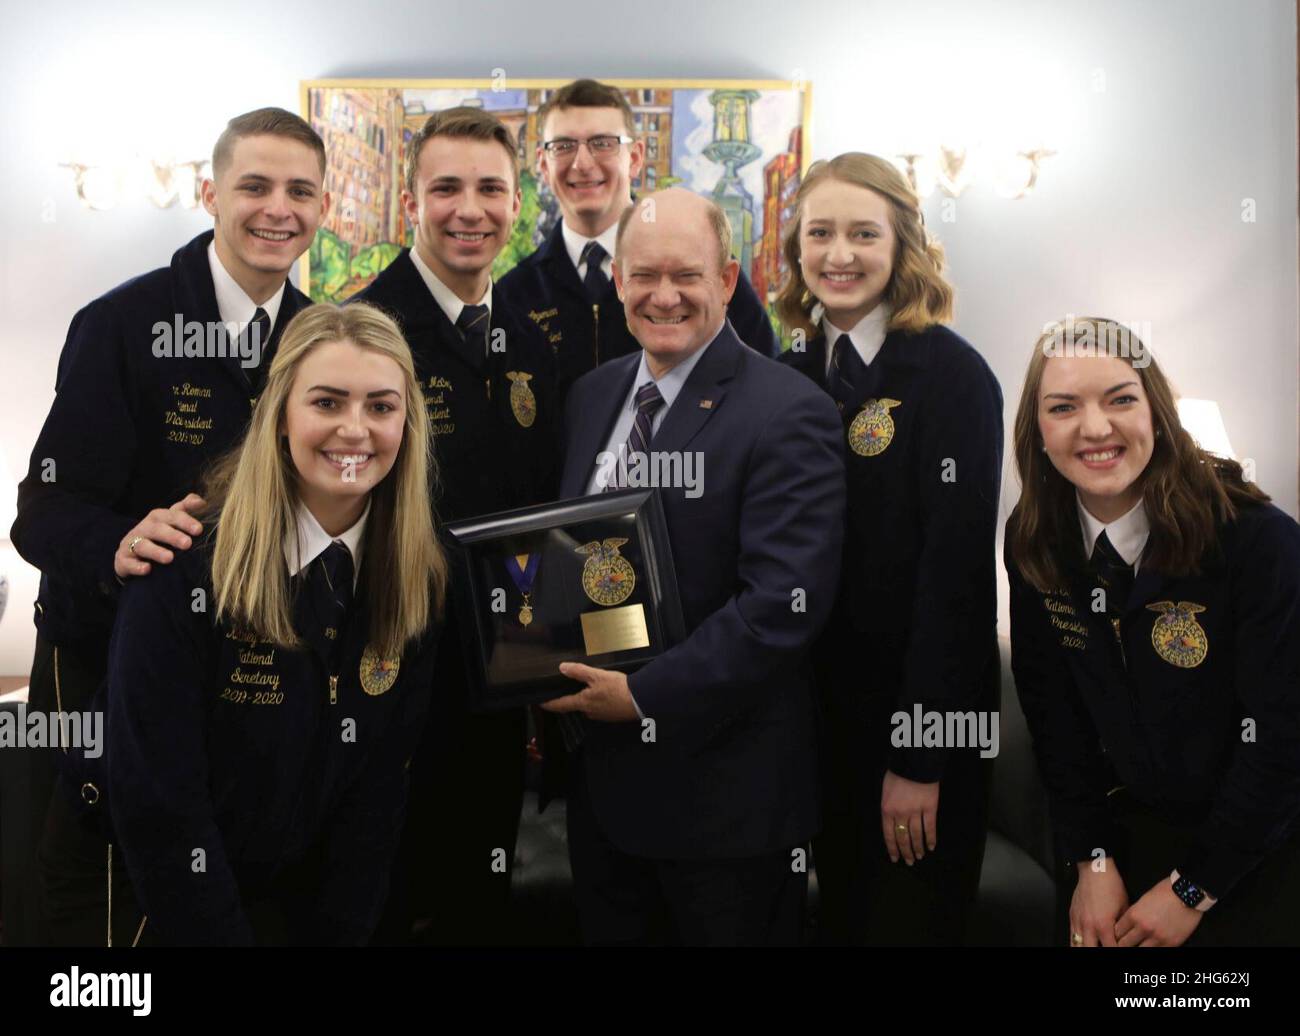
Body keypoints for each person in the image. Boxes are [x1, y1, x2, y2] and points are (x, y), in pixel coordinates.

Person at [9, 107, 329, 945]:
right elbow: (41, 509)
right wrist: (113, 545)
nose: (277, 209)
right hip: (103, 661)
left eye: (300, 191)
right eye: (254, 185)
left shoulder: (318, 337)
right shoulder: (120, 324)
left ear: (324, 209)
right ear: (207, 191)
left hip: (249, 673)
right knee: (104, 896)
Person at [44, 302, 445, 946]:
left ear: (408, 423)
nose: (354, 429)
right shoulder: (184, 569)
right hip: (129, 887)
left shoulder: (419, 575)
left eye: (380, 406)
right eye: (326, 402)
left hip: (272, 881)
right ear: (280, 416)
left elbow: (375, 797)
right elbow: (161, 807)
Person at [541, 188, 845, 946]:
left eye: (687, 275)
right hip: (602, 794)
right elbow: (573, 557)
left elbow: (782, 607)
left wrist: (642, 696)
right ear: (618, 280)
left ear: (728, 279)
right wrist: (532, 664)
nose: (664, 295)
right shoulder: (591, 396)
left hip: (725, 809)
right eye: (644, 275)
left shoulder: (790, 410)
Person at [1005, 316, 1300, 946]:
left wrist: (1194, 887)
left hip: (1260, 847)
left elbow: (1281, 739)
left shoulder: (1256, 540)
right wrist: (1092, 859)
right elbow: (1057, 723)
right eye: (1063, 407)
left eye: (1120, 399)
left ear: (1157, 412)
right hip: (1129, 839)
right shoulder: (1035, 541)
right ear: (1037, 430)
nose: (1095, 428)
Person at [776, 153, 1003, 945]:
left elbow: (959, 583)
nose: (840, 254)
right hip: (814, 731)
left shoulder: (952, 376)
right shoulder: (787, 372)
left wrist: (922, 758)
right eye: (821, 233)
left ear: (903, 245)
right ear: (797, 249)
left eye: (863, 233)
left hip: (915, 732)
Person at [356, 106, 558, 944]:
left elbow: (548, 512)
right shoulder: (362, 332)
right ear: (412, 200)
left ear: (517, 204)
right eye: (446, 188)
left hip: (500, 681)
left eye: (490, 189)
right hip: (382, 674)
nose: (469, 209)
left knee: (480, 899)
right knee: (383, 902)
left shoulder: (529, 343)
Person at [497, 78, 779, 403]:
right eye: (563, 146)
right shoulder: (514, 294)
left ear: (634, 157)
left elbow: (766, 390)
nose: (583, 163)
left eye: (603, 143)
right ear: (543, 165)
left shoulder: (705, 268)